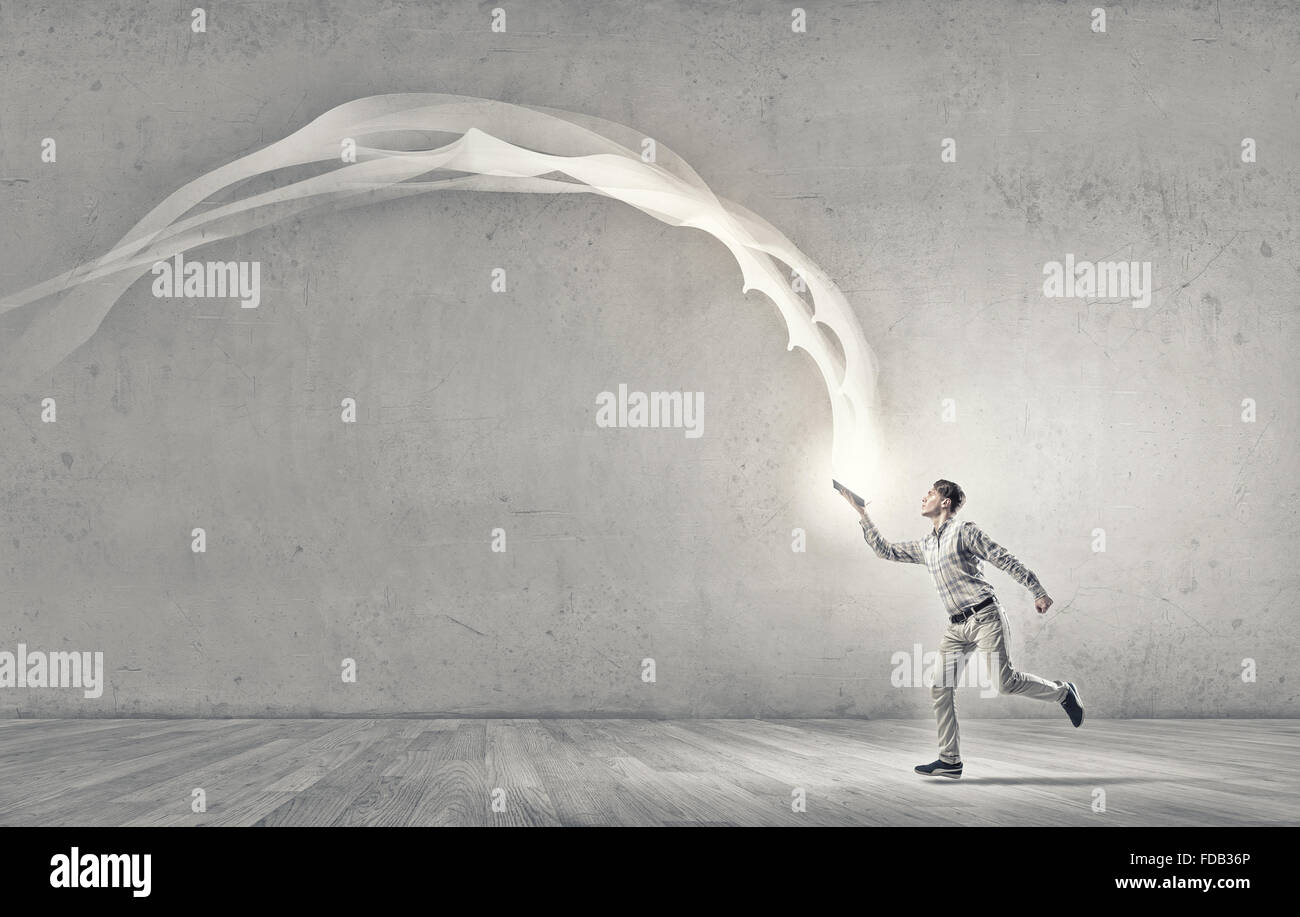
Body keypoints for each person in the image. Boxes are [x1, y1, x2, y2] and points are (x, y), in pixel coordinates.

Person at [841, 479, 1083, 778]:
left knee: (1004, 684)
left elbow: (1003, 558)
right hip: (957, 628)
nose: (924, 496)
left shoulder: (965, 530)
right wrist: (862, 512)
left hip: (985, 618)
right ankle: (950, 761)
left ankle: (1062, 692)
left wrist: (1037, 590)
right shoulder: (926, 545)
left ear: (945, 501)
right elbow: (885, 550)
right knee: (940, 687)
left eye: (930, 493)